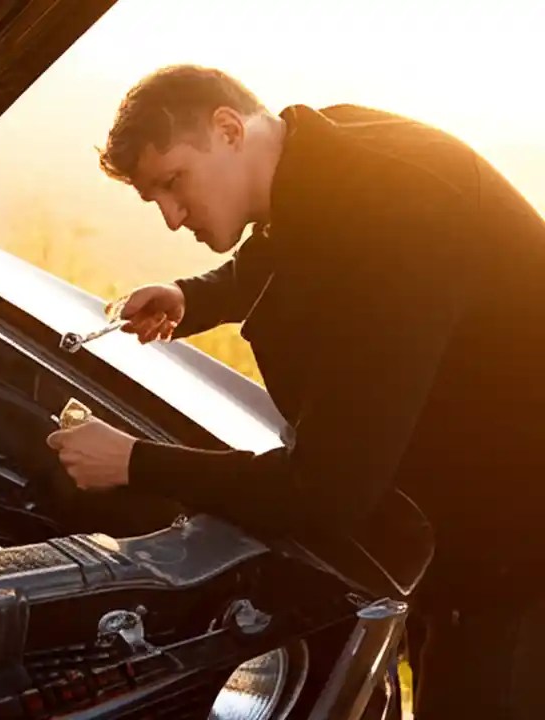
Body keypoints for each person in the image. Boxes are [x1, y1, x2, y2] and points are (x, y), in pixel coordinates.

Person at [45, 64, 545, 718]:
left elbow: (325, 491)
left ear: (228, 130)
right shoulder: (327, 151)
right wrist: (192, 297)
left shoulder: (404, 216)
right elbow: (290, 245)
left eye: (173, 183)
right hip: (459, 514)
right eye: (155, 200)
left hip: (517, 550)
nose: (171, 217)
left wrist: (134, 461)